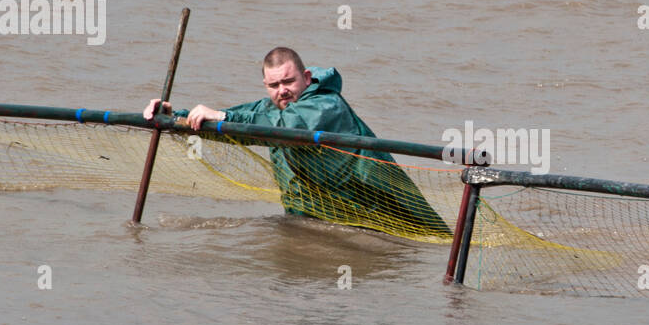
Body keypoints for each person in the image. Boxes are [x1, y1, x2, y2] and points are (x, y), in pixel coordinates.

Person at [145, 47, 451, 238]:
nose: (282, 91)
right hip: (316, 220)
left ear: (305, 77)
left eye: (289, 82)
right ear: (266, 86)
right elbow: (229, 122)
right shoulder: (269, 111)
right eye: (274, 85)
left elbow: (283, 127)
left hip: (385, 221)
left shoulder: (325, 105)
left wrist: (222, 115)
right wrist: (175, 117)